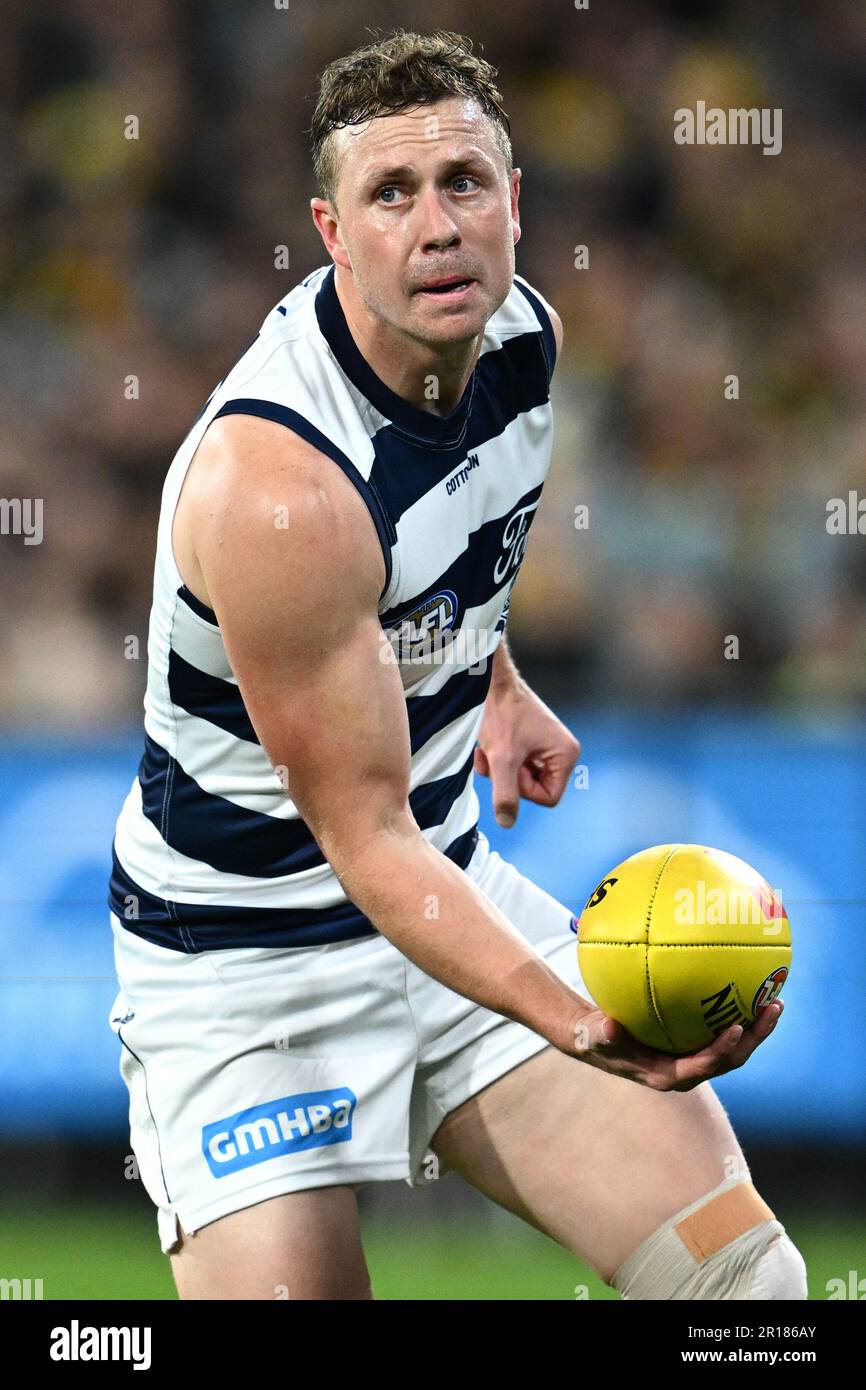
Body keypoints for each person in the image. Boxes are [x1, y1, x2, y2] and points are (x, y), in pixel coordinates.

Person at [107, 28, 806, 1300]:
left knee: (744, 1290)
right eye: (391, 194)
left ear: (513, 204)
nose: (436, 228)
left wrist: (493, 677)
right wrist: (573, 1015)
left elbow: (442, 551)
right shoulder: (279, 488)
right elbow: (366, 836)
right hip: (246, 965)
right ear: (331, 232)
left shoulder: (522, 341)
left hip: (444, 890)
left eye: (463, 184)